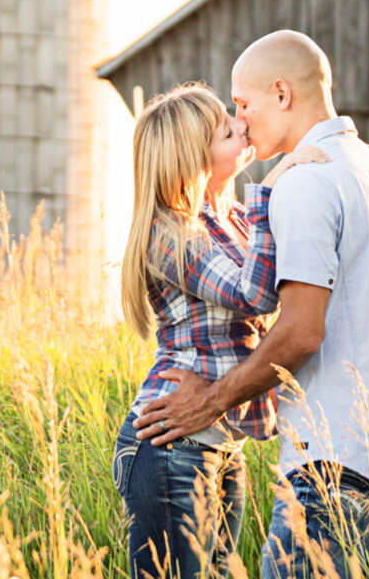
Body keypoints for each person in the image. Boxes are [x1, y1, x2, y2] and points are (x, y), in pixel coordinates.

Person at [132, 31, 369, 579]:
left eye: (242, 105)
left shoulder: (304, 184)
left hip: (330, 457)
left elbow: (298, 330)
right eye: (230, 118)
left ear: (282, 94)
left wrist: (212, 401)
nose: (241, 122)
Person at [113, 83, 327, 579]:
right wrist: (274, 182)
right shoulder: (170, 234)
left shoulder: (234, 220)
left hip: (220, 440)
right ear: (192, 159)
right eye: (227, 132)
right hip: (171, 443)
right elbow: (254, 296)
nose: (242, 126)